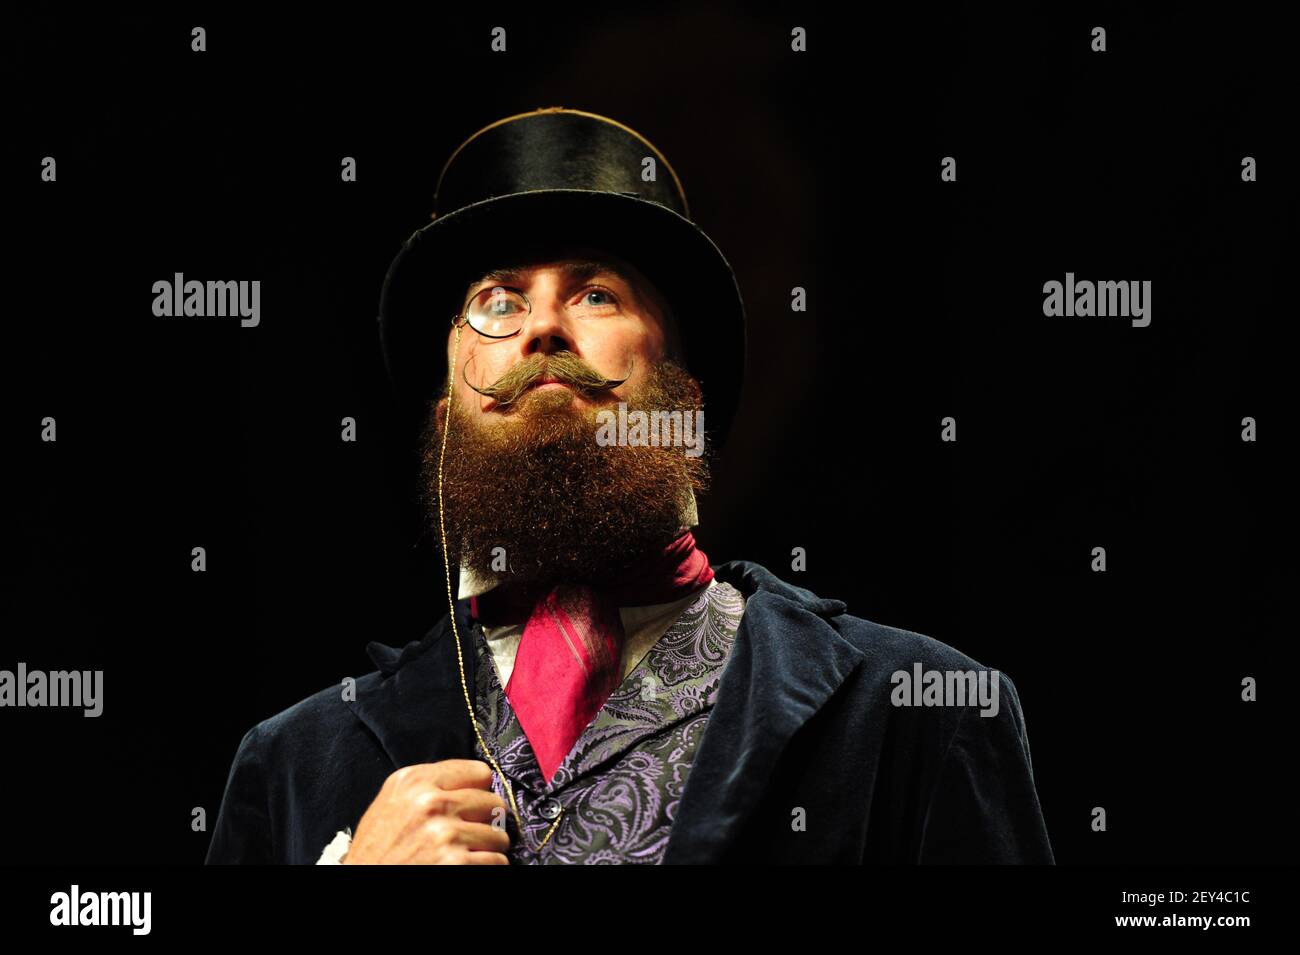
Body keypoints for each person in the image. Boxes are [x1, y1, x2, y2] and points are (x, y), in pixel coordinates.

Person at [205, 107, 1055, 865]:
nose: (541, 326)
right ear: (444, 408)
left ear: (678, 384)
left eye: (597, 293)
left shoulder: (913, 718)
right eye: (496, 302)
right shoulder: (292, 767)